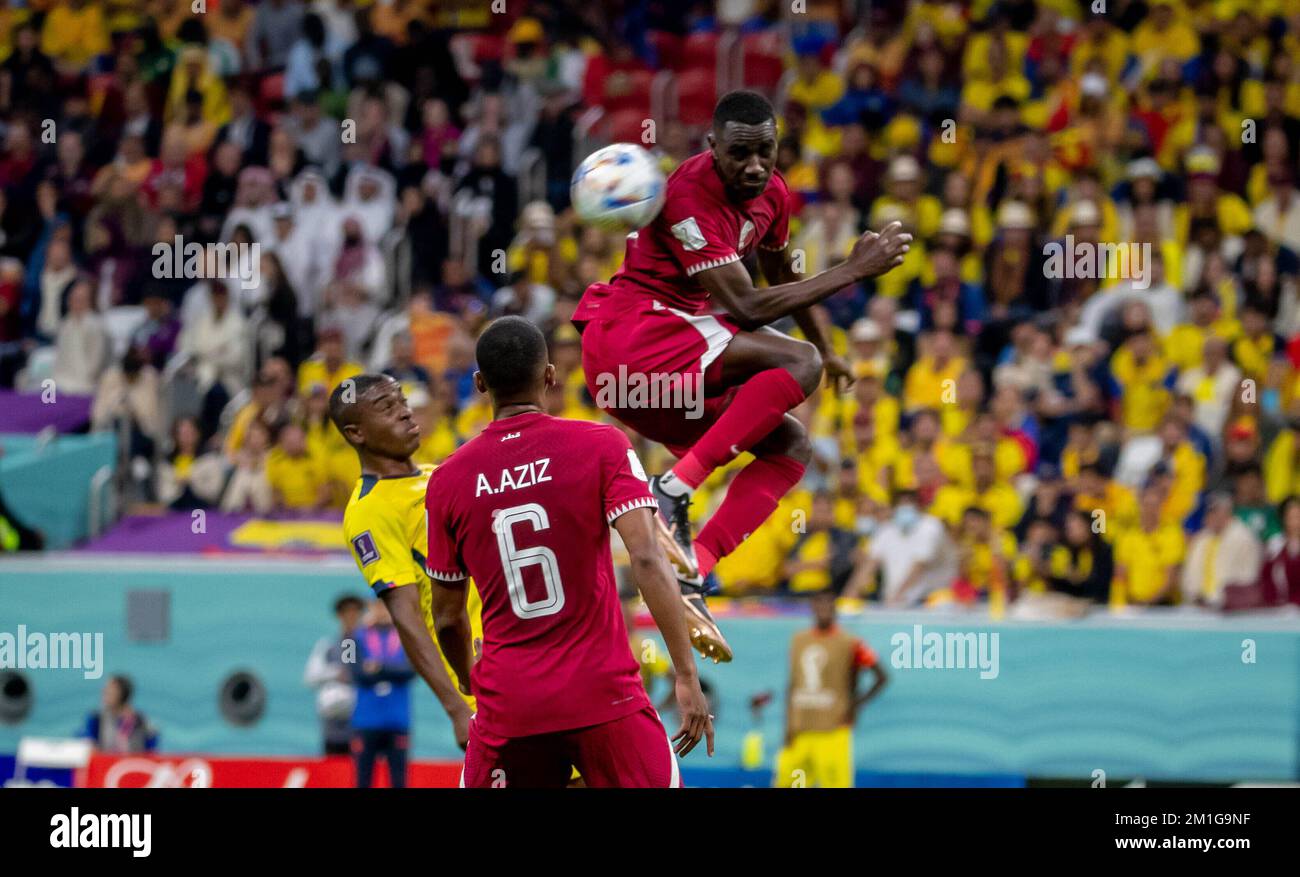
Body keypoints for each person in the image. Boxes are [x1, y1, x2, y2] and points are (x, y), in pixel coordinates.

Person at [573, 90, 912, 661]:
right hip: (631, 340)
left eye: (766, 152)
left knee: (791, 445)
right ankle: (675, 488)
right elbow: (750, 306)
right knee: (793, 363)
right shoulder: (685, 196)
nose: (755, 166)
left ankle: (694, 571)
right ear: (713, 148)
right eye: (739, 155)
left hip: (660, 372)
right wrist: (854, 270)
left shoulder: (772, 193)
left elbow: (781, 272)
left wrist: (828, 349)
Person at [425, 317, 712, 788]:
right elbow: (646, 557)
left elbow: (447, 619)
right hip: (603, 696)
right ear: (551, 376)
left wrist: (467, 679)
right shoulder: (601, 445)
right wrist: (685, 673)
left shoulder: (448, 480)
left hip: (509, 705)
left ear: (479, 384)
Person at [330, 374, 480, 750]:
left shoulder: (439, 475)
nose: (404, 412)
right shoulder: (369, 511)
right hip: (479, 677)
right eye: (386, 407)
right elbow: (406, 615)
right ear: (357, 433)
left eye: (401, 401)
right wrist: (457, 709)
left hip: (519, 653)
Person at [774, 590, 888, 788]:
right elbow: (792, 684)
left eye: (828, 605)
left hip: (833, 730)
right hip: (801, 728)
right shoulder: (799, 640)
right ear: (812, 608)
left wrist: (855, 704)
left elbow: (881, 677)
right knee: (788, 783)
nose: (824, 610)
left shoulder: (851, 643)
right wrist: (788, 725)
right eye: (819, 604)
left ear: (835, 609)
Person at [349, 598, 415, 788]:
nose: (382, 609)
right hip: (365, 720)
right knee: (362, 779)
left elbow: (411, 671)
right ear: (369, 607)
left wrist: (379, 668)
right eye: (377, 604)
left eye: (387, 603)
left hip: (397, 720)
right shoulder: (353, 637)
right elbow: (355, 672)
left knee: (399, 780)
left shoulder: (407, 636)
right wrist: (392, 671)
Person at [303, 594, 365, 756]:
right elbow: (311, 676)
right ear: (339, 616)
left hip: (361, 720)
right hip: (333, 718)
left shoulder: (367, 644)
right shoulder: (328, 645)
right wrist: (334, 673)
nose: (351, 618)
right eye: (347, 613)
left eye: (355, 613)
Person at [80, 675, 158, 754]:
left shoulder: (142, 721)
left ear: (122, 694)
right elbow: (88, 744)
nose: (104, 692)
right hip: (106, 764)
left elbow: (151, 751)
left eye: (110, 691)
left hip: (134, 764)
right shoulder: (97, 718)